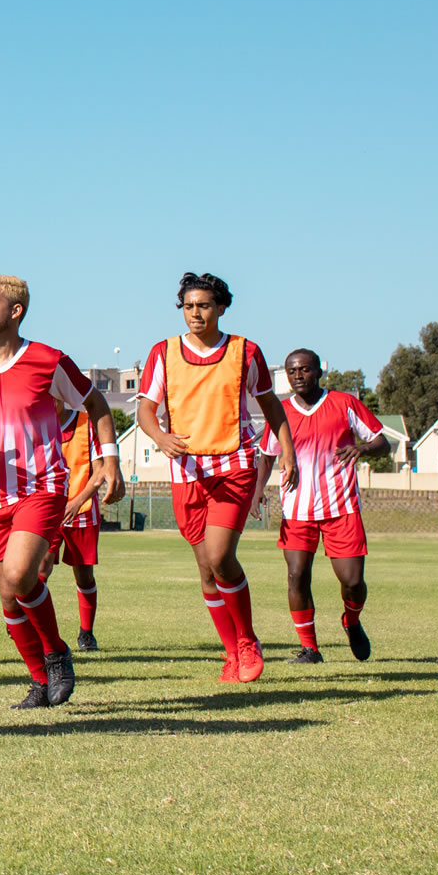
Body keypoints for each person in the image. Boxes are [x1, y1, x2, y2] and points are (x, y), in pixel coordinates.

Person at [0, 275, 124, 709]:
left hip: (41, 487)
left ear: (15, 311)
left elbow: (97, 404)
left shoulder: (48, 360)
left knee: (20, 577)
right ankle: (39, 681)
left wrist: (110, 459)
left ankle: (56, 652)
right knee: (7, 596)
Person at [136, 272, 297, 684]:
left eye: (204, 305)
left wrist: (288, 452)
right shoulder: (163, 352)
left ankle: (247, 641)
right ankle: (230, 653)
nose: (195, 313)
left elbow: (272, 407)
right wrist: (161, 437)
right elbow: (145, 412)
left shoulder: (246, 351)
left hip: (233, 466)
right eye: (189, 306)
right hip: (186, 471)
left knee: (220, 556)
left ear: (222, 307)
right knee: (206, 570)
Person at [252, 348, 388, 663]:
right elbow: (267, 454)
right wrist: (259, 489)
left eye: (304, 370)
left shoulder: (344, 403)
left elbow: (383, 441)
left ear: (319, 372)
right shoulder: (280, 410)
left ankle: (351, 621)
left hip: (341, 508)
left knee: (352, 581)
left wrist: (362, 448)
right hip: (296, 510)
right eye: (292, 371)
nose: (298, 376)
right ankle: (309, 648)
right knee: (297, 575)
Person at [40, 399, 106, 652]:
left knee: (83, 574)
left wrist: (78, 501)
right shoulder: (37, 425)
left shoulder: (86, 423)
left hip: (83, 511)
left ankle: (86, 633)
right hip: (47, 509)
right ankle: (32, 622)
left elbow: (99, 471)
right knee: (40, 568)